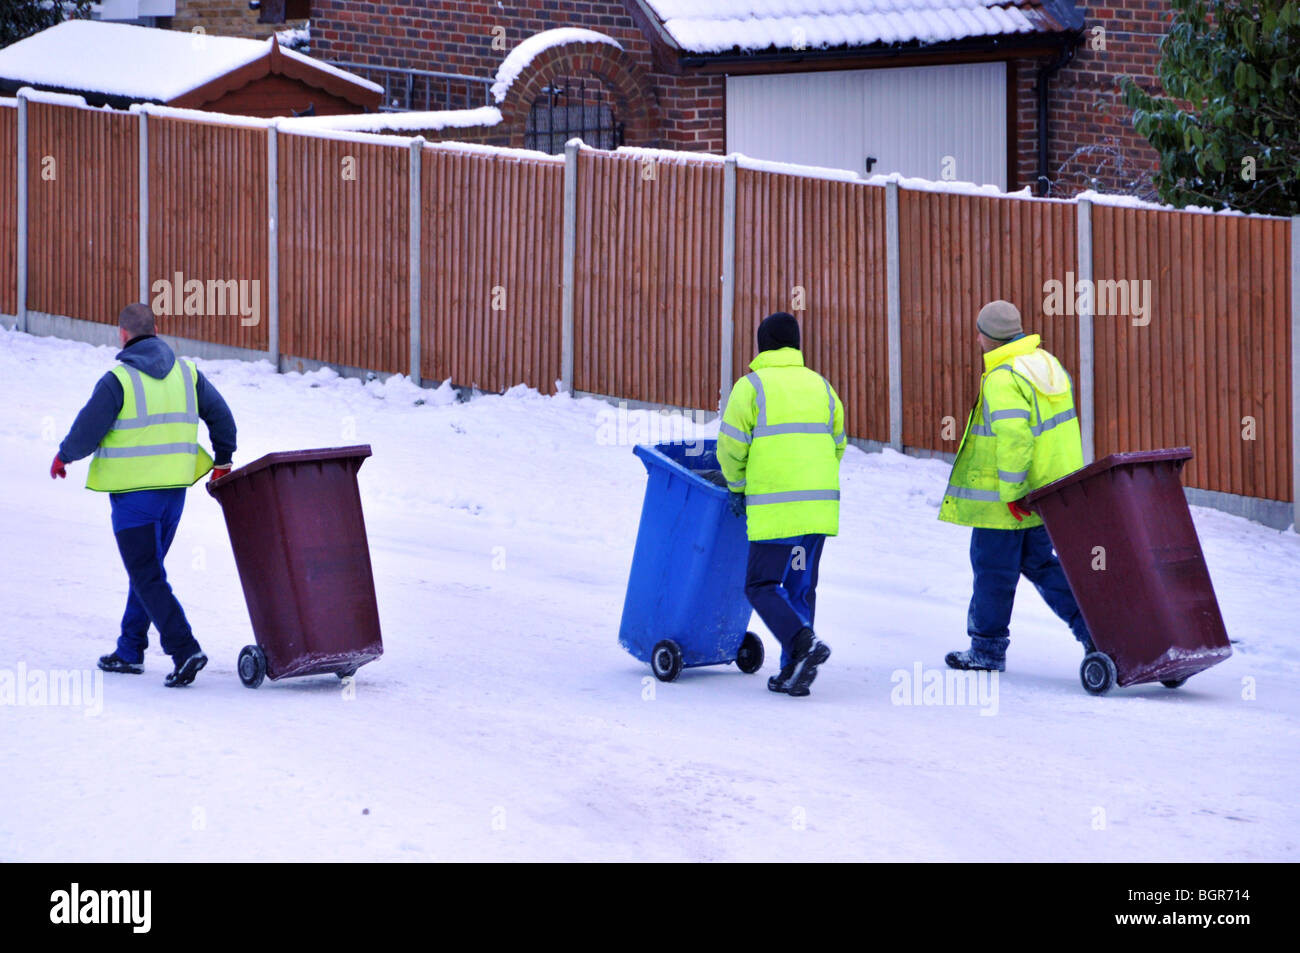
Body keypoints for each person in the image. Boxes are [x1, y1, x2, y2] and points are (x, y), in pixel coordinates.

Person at [50, 303, 237, 687]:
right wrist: (223, 460)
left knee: (147, 575)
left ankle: (184, 649)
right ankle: (130, 649)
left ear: (122, 334)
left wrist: (63, 455)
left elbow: (88, 430)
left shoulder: (118, 380)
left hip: (135, 499)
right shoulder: (187, 374)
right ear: (157, 328)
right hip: (173, 496)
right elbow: (222, 417)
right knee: (147, 573)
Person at [939, 300, 1092, 671]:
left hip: (1010, 499)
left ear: (987, 336)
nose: (976, 338)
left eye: (978, 332)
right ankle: (1095, 630)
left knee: (993, 569)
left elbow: (1014, 440)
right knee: (1041, 563)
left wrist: (1012, 494)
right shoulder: (1047, 364)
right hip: (1049, 494)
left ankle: (986, 650)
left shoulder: (1003, 378)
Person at [718, 312, 846, 697]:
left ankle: (802, 643)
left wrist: (738, 486)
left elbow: (730, 447)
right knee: (799, 584)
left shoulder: (751, 386)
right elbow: (838, 442)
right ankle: (794, 670)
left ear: (761, 345)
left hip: (777, 512)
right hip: (816, 513)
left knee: (761, 585)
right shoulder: (821, 387)